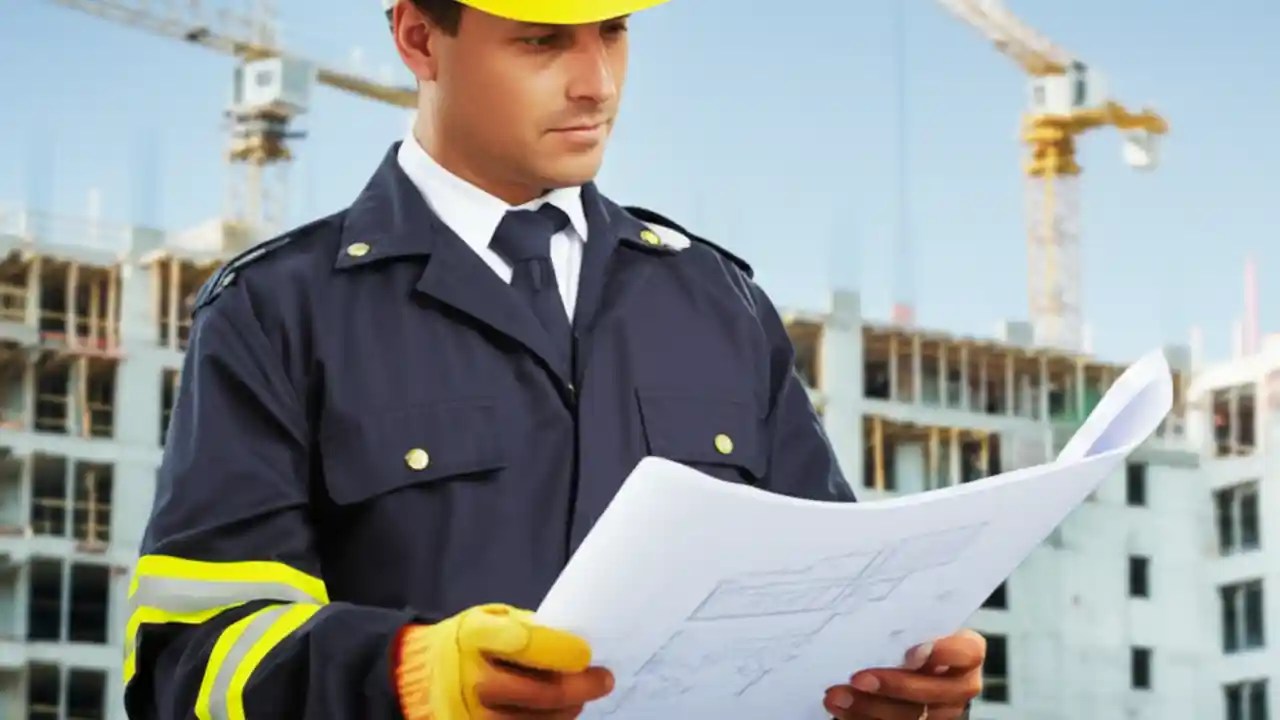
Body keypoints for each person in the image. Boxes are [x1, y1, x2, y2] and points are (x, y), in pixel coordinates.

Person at [122, 0, 987, 718]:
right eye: (541, 41)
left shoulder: (716, 301)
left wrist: (895, 690)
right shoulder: (279, 309)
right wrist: (409, 676)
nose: (596, 83)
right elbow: (186, 663)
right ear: (419, 39)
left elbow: (828, 610)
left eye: (612, 30)